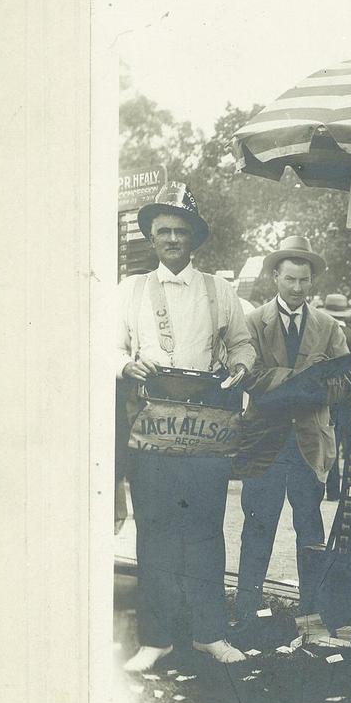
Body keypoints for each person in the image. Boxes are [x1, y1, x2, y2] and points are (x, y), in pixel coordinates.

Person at [117, 184, 256, 672]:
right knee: (153, 529)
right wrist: (123, 365)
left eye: (181, 231)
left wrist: (240, 367)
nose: (173, 239)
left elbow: (243, 345)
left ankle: (209, 634)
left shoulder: (221, 291)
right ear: (152, 238)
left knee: (204, 530)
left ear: (195, 238)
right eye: (164, 232)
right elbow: (108, 346)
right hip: (153, 421)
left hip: (206, 423)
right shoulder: (130, 289)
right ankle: (156, 639)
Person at [233, 236, 350, 621]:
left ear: (311, 281)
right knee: (257, 526)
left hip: (308, 442)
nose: (297, 288)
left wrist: (321, 388)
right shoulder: (251, 323)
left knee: (310, 527)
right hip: (265, 441)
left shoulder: (329, 326)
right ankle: (246, 608)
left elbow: (344, 381)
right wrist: (299, 381)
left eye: (304, 281)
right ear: (274, 278)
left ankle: (311, 614)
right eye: (289, 280)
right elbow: (247, 375)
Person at [322, 293, 351, 502]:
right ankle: (348, 490)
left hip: (328, 393)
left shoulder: (321, 332)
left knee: (330, 441)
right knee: (350, 441)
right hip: (349, 394)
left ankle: (332, 490)